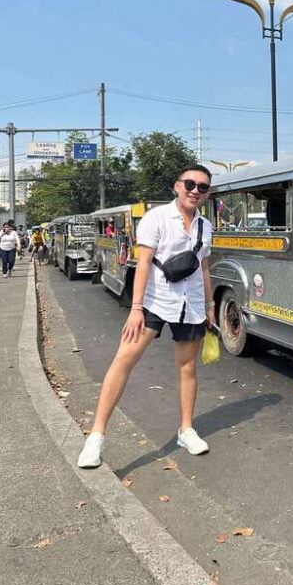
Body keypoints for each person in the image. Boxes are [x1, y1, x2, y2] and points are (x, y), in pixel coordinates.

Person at [77, 165, 216, 469]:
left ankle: (186, 429)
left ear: (207, 194)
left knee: (188, 366)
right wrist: (136, 308)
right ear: (176, 186)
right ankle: (96, 436)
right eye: (190, 184)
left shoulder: (205, 226)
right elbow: (143, 263)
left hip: (191, 303)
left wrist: (209, 304)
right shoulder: (156, 218)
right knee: (124, 360)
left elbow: (203, 268)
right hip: (154, 301)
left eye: (202, 187)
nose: (195, 191)